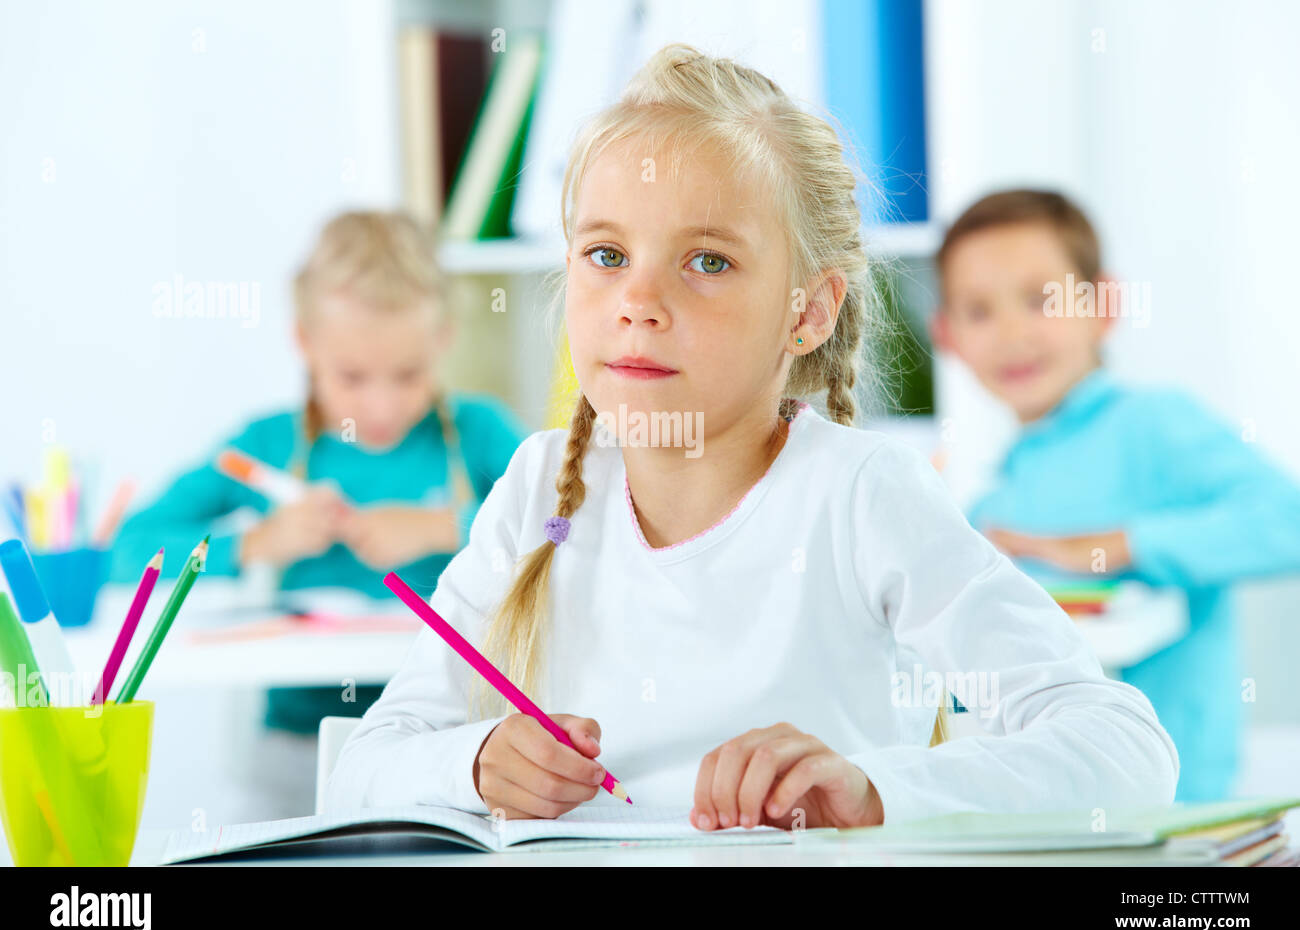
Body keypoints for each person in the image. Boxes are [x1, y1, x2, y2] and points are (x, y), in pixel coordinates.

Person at [327, 46, 1177, 828]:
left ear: (807, 311)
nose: (638, 302)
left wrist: (870, 788)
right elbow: (363, 764)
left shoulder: (861, 495)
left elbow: (1126, 750)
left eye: (708, 261)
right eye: (606, 254)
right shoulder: (536, 489)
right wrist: (472, 763)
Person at [109, 210, 529, 818]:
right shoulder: (267, 444)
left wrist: (448, 527)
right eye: (352, 377)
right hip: (295, 752)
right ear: (305, 342)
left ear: (442, 340)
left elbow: (567, 532)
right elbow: (129, 549)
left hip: (456, 747)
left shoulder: (479, 434)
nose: (381, 403)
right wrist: (256, 544)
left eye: (408, 375)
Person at [930, 188, 1300, 801]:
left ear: (1104, 305)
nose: (1012, 331)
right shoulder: (992, 500)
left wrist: (1120, 545)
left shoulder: (1153, 424)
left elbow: (1287, 519)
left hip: (1179, 814)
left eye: (1041, 299)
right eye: (979, 310)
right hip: (1056, 813)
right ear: (947, 335)